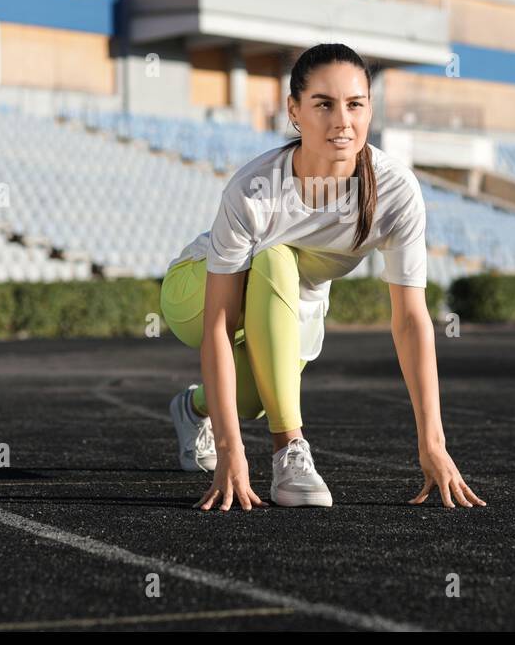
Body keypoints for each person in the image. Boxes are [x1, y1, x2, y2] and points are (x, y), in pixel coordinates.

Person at [158, 42, 485, 512]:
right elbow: (217, 326)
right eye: (323, 104)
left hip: (291, 306)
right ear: (294, 110)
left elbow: (411, 321)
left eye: (355, 104)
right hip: (197, 294)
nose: (342, 120)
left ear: (371, 109)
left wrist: (432, 443)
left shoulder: (395, 192)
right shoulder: (254, 190)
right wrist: (233, 452)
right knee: (274, 255)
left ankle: (192, 408)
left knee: (252, 400)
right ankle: (289, 452)